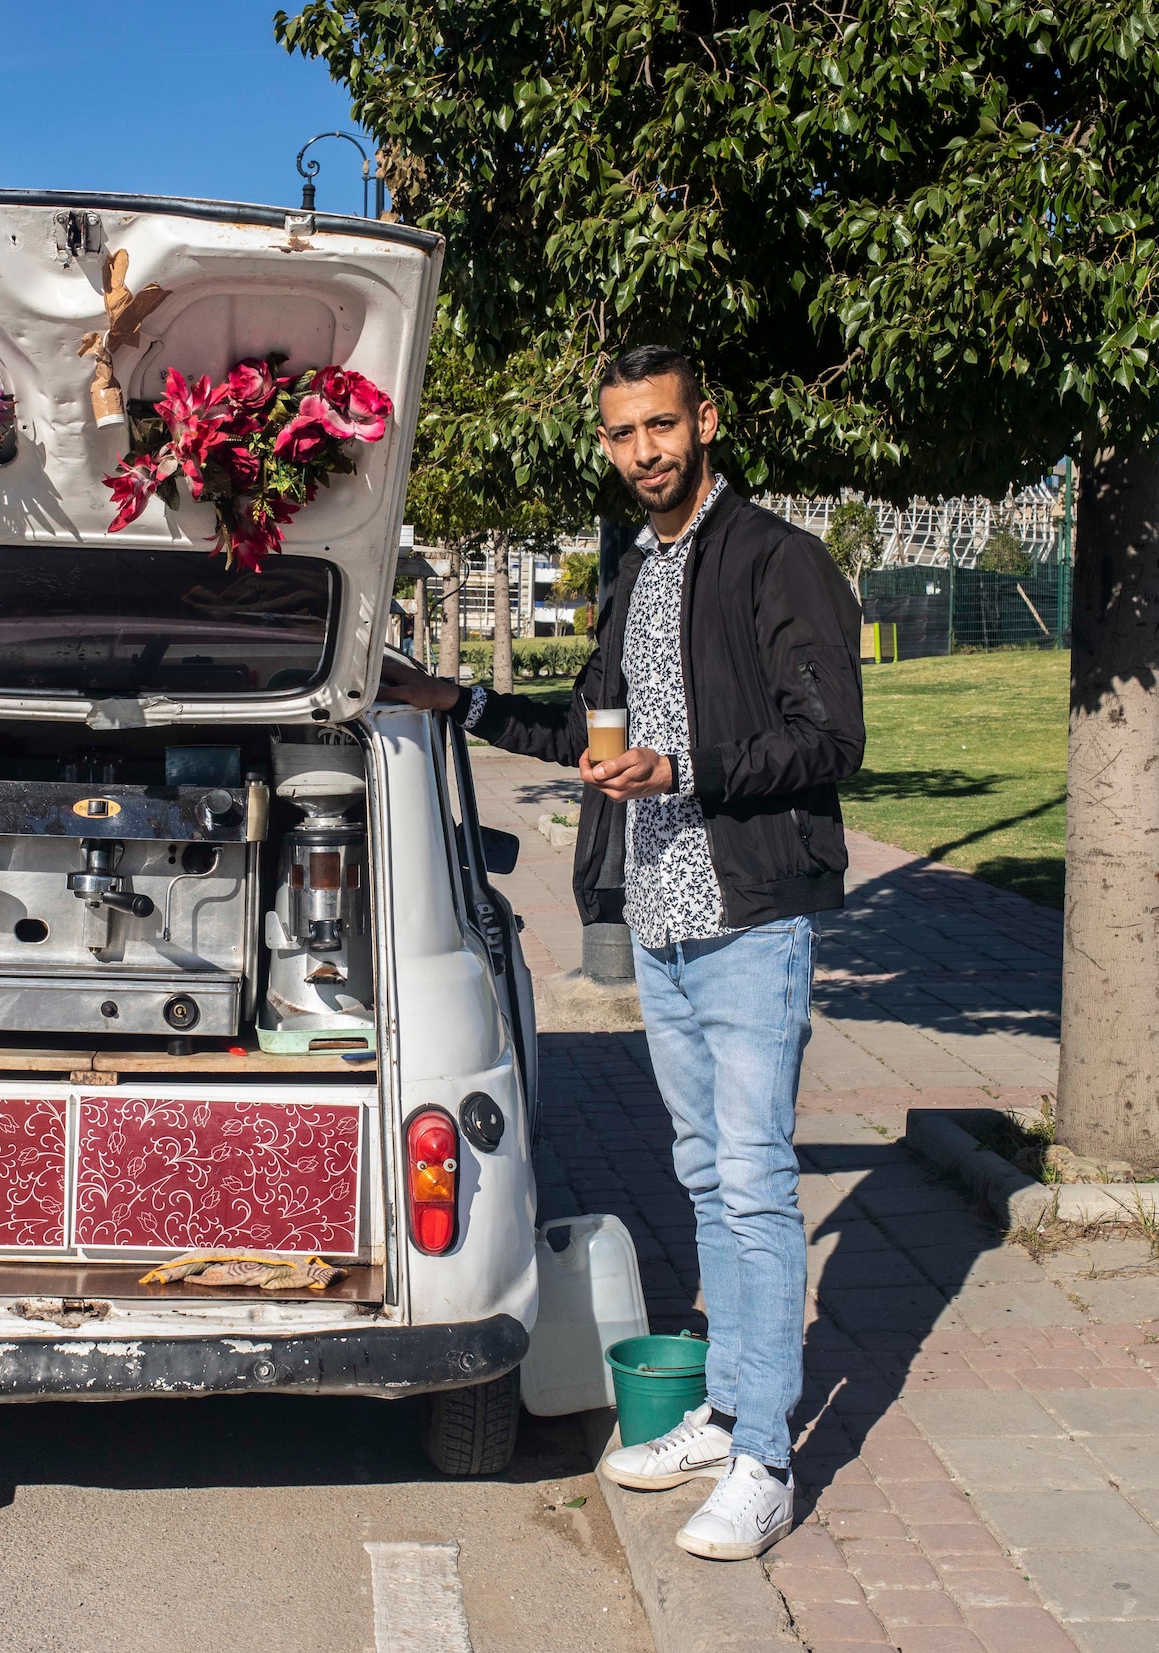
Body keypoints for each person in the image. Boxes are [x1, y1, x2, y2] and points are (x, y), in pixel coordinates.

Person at [383, 344, 864, 1560]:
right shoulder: (631, 570)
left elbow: (827, 739)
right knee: (704, 1174)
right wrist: (466, 706)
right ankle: (721, 1410)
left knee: (751, 1179)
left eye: (660, 426)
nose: (643, 451)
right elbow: (594, 733)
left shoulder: (776, 559)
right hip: (657, 914)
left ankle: (765, 1455)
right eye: (620, 435)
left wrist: (682, 770)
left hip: (751, 915)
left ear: (705, 421)